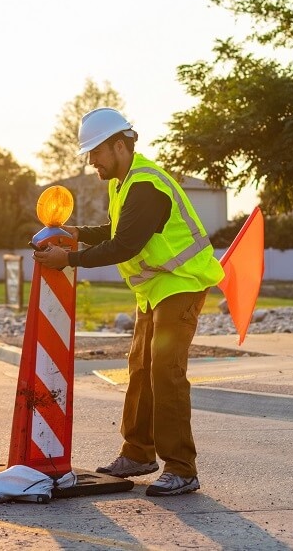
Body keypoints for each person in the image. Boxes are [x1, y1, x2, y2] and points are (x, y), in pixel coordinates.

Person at [34, 107, 223, 497]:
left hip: (182, 283)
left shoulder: (146, 185)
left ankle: (182, 468)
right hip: (156, 289)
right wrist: (74, 232)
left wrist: (68, 258)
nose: (91, 162)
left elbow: (124, 245)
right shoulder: (122, 184)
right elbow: (117, 229)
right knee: (141, 367)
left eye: (95, 153)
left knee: (165, 372)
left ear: (119, 146)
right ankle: (138, 454)